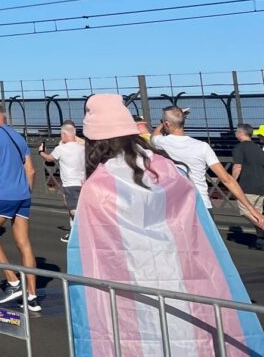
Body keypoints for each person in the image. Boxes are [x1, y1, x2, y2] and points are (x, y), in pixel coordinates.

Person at [69, 94, 264, 355]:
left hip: (130, 290)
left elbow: (91, 253)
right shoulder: (170, 168)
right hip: (181, 277)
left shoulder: (99, 184)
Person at [152, 107, 264, 230]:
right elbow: (227, 179)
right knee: (209, 247)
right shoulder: (202, 147)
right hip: (201, 205)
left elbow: (156, 134)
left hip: (176, 206)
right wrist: (252, 210)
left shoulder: (160, 142)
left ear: (166, 123)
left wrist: (165, 122)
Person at [0, 100, 39, 311]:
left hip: (4, 194)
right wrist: (25, 191)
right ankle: (32, 296)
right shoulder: (18, 136)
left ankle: (13, 282)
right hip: (23, 195)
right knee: (24, 243)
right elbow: (31, 170)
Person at [40, 121, 86, 242]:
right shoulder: (82, 147)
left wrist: (41, 151)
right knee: (78, 208)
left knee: (73, 210)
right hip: (83, 182)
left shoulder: (60, 149)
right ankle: (74, 233)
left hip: (69, 184)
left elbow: (49, 158)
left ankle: (83, 233)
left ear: (64, 134)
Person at [231, 123, 264, 250]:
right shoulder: (258, 148)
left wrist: (232, 181)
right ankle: (260, 240)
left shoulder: (239, 148)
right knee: (257, 213)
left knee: (245, 210)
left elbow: (237, 166)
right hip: (261, 187)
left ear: (240, 133)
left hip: (249, 186)